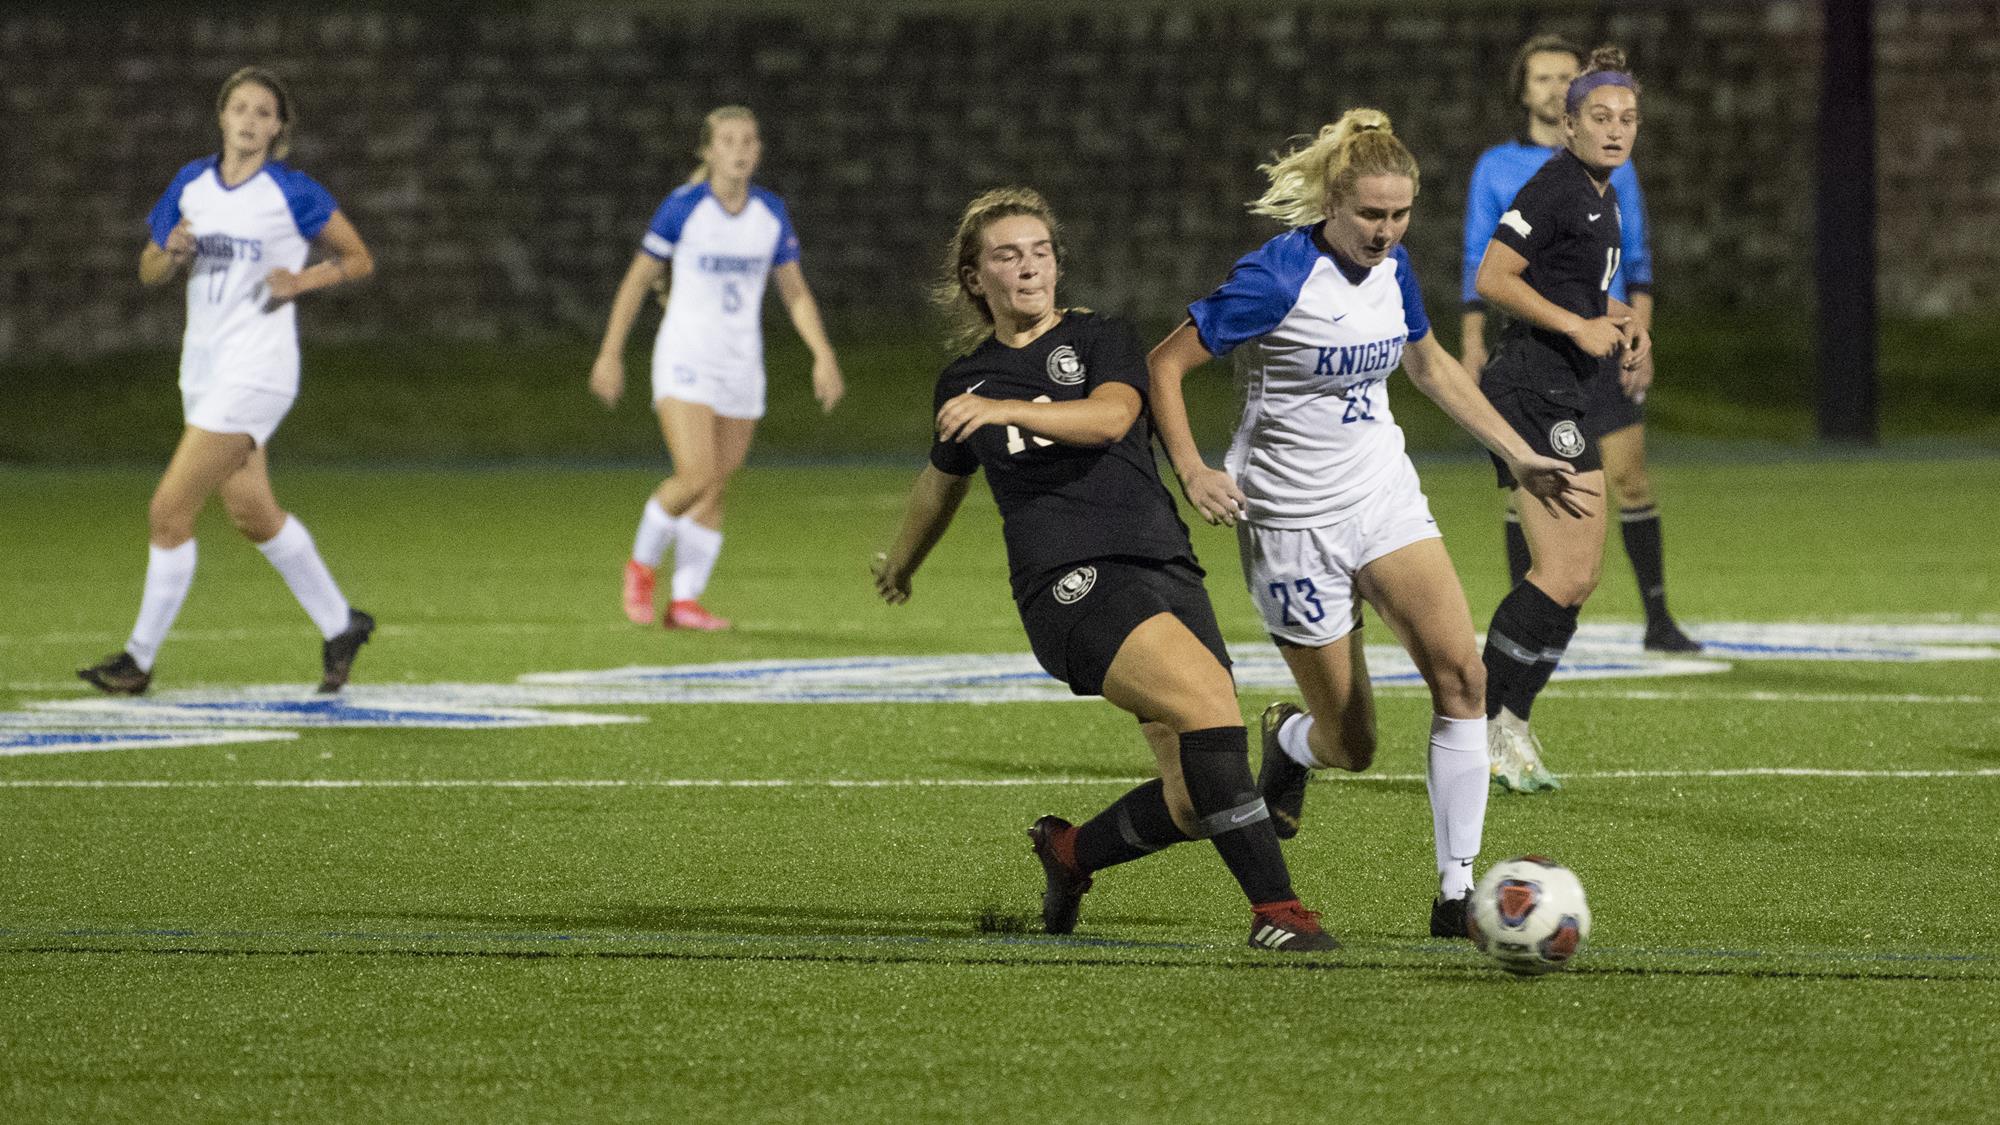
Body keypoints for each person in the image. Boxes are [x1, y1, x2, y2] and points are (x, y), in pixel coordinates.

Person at [1146, 110, 1593, 935]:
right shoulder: (1277, 279)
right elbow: (1164, 363)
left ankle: (1456, 894)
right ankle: (1291, 746)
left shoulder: (1395, 269)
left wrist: (1517, 449)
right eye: (1371, 217)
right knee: (1354, 744)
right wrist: (1195, 469)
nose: (1387, 233)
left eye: (1400, 216)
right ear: (1332, 205)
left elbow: (1426, 362)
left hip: (1381, 496)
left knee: (1463, 680)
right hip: (1289, 523)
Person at [873, 187, 1336, 952]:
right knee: (1209, 700)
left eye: (1041, 251)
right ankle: (1277, 912)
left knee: (1192, 797)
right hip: (1068, 583)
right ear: (973, 277)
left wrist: (1006, 411)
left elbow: (1114, 416)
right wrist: (902, 562)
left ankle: (1069, 852)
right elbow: (940, 480)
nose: (1029, 268)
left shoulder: (1099, 339)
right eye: (1007, 256)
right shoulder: (964, 381)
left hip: (1163, 565)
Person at [78, 67, 377, 697]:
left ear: (278, 127)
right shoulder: (191, 182)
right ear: (222, 116)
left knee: (169, 511)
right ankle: (340, 623)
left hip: (259, 370)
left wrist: (301, 281)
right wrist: (172, 253)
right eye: (239, 108)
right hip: (205, 369)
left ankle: (137, 660)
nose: (249, 120)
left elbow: (357, 258)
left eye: (264, 112)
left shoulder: (291, 192)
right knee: (251, 512)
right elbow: (149, 269)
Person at [1462, 34, 1700, 654]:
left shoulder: (1611, 180)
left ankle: (1655, 618)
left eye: (1565, 76)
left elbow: (1633, 261)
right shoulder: (1523, 174)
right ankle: (1526, 639)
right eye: (1542, 78)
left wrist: (1632, 328)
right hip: (1543, 360)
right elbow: (1484, 269)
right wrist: (1473, 338)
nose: (1554, 86)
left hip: (1596, 349)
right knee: (1542, 497)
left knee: (1628, 479)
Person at [1470, 46, 1655, 792]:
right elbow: (1493, 277)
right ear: (1569, 125)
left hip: (1562, 391)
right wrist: (1578, 329)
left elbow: (1574, 287)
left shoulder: (1601, 192)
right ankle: (1477, 721)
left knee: (1579, 577)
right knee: (1560, 570)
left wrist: (1618, 318)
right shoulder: (1551, 188)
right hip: (1528, 389)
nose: (1616, 130)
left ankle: (1511, 721)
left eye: (1628, 119)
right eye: (1600, 118)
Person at [589, 105, 843, 632]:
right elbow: (637, 281)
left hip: (741, 365)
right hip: (685, 358)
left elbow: (793, 290)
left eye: (749, 140)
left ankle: (685, 602)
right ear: (707, 151)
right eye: (727, 141)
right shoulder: (683, 208)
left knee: (717, 483)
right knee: (696, 474)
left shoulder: (769, 212)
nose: (740, 150)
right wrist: (610, 352)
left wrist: (822, 353)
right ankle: (640, 565)